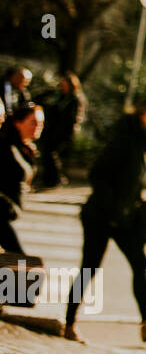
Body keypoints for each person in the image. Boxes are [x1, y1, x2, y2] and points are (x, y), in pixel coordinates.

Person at [63, 90, 146, 344]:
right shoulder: (126, 139)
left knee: (140, 264)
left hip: (123, 217)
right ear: (142, 113)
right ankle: (69, 323)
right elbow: (98, 174)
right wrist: (112, 208)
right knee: (89, 268)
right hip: (100, 216)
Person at [0, 103, 43, 256]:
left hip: (8, 215)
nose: (38, 126)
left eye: (41, 123)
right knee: (20, 263)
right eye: (34, 122)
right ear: (17, 123)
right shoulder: (5, 146)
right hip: (2, 217)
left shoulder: (24, 148)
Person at [35, 72, 85, 190]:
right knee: (48, 153)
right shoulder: (59, 96)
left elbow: (72, 118)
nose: (62, 87)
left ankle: (54, 179)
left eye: (65, 84)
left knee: (51, 153)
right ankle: (51, 179)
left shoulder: (75, 99)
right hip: (51, 130)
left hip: (63, 132)